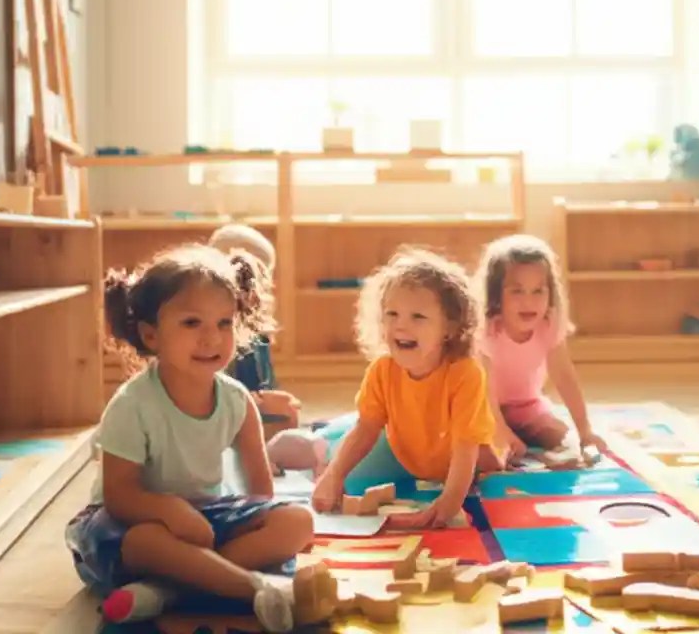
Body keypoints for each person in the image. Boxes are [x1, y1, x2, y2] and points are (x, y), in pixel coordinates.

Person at [65, 244, 313, 631]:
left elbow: (259, 492)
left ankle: (168, 590)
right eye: (192, 323)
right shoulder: (132, 404)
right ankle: (251, 587)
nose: (211, 338)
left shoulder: (236, 400)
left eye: (224, 323)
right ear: (151, 334)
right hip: (130, 520)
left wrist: (253, 519)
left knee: (297, 521)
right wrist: (168, 509)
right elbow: (119, 495)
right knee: (147, 542)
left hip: (205, 515)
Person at [306, 246, 497, 529]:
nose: (401, 326)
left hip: (457, 458)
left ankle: (324, 439)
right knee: (351, 475)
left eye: (417, 317)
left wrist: (449, 503)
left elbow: (465, 448)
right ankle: (320, 443)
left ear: (449, 328)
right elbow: (366, 428)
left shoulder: (465, 374)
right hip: (404, 451)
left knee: (493, 474)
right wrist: (333, 477)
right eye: (392, 314)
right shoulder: (383, 370)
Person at [472, 233, 604, 467]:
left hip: (527, 405)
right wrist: (501, 431)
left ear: (550, 293)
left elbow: (564, 376)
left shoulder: (548, 325)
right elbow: (484, 392)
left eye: (538, 291)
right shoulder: (488, 331)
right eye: (517, 291)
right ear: (495, 295)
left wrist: (585, 431)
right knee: (488, 452)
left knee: (565, 440)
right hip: (486, 408)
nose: (529, 302)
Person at [208, 223, 301, 442]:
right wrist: (257, 401)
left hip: (245, 411)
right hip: (219, 419)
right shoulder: (213, 333)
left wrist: (267, 399)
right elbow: (204, 395)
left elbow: (261, 382)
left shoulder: (256, 330)